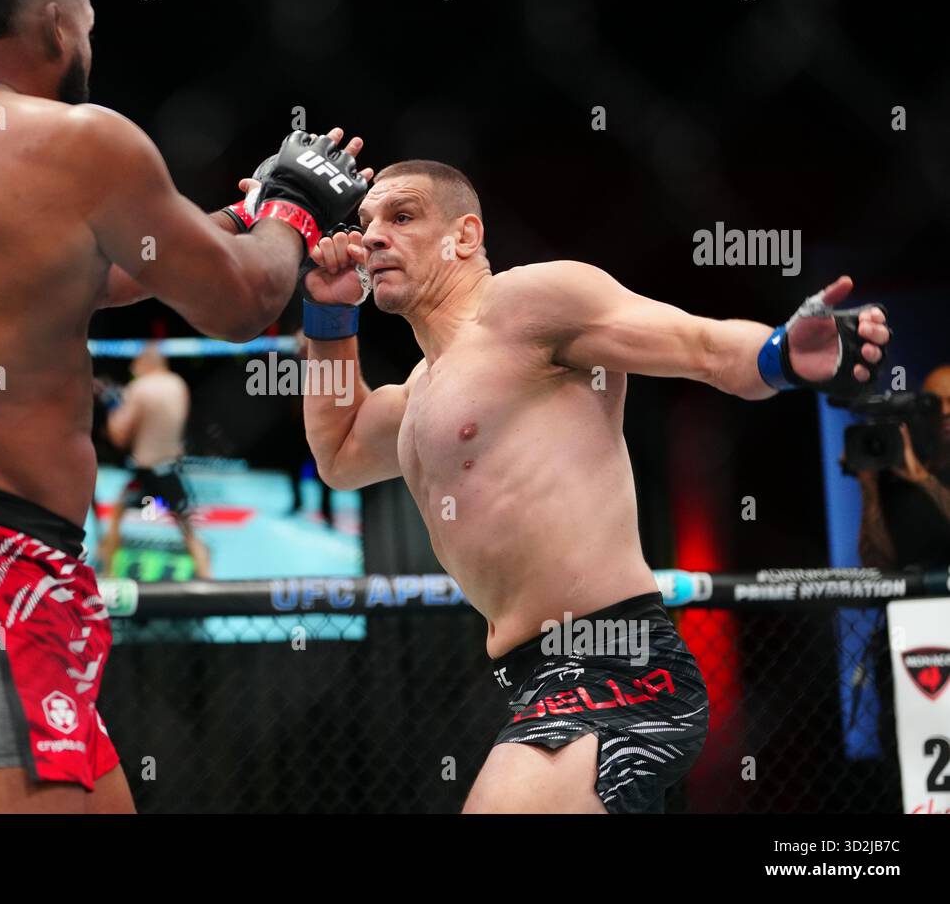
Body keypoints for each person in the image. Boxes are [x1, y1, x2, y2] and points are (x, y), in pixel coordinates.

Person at [0, 0, 369, 814]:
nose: (90, 45)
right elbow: (242, 301)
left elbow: (103, 271)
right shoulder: (82, 139)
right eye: (88, 24)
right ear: (54, 23)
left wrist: (251, 211)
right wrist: (297, 209)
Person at [298, 159, 891, 813]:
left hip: (615, 666)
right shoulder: (418, 391)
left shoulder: (527, 306)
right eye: (366, 222)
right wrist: (329, 318)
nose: (373, 236)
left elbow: (704, 347)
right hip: (533, 674)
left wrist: (780, 354)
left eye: (402, 217)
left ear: (463, 236)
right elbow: (341, 452)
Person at [97, 343, 210, 578]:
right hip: (170, 468)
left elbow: (119, 436)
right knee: (186, 526)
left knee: (117, 515)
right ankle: (206, 578)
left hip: (147, 469)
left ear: (145, 363)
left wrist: (113, 408)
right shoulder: (178, 385)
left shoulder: (141, 388)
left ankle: (107, 575)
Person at [857, 364, 950, 567]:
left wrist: (923, 480)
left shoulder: (916, 474)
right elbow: (877, 566)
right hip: (908, 596)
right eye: (934, 403)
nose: (944, 411)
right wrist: (869, 485)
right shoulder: (897, 471)